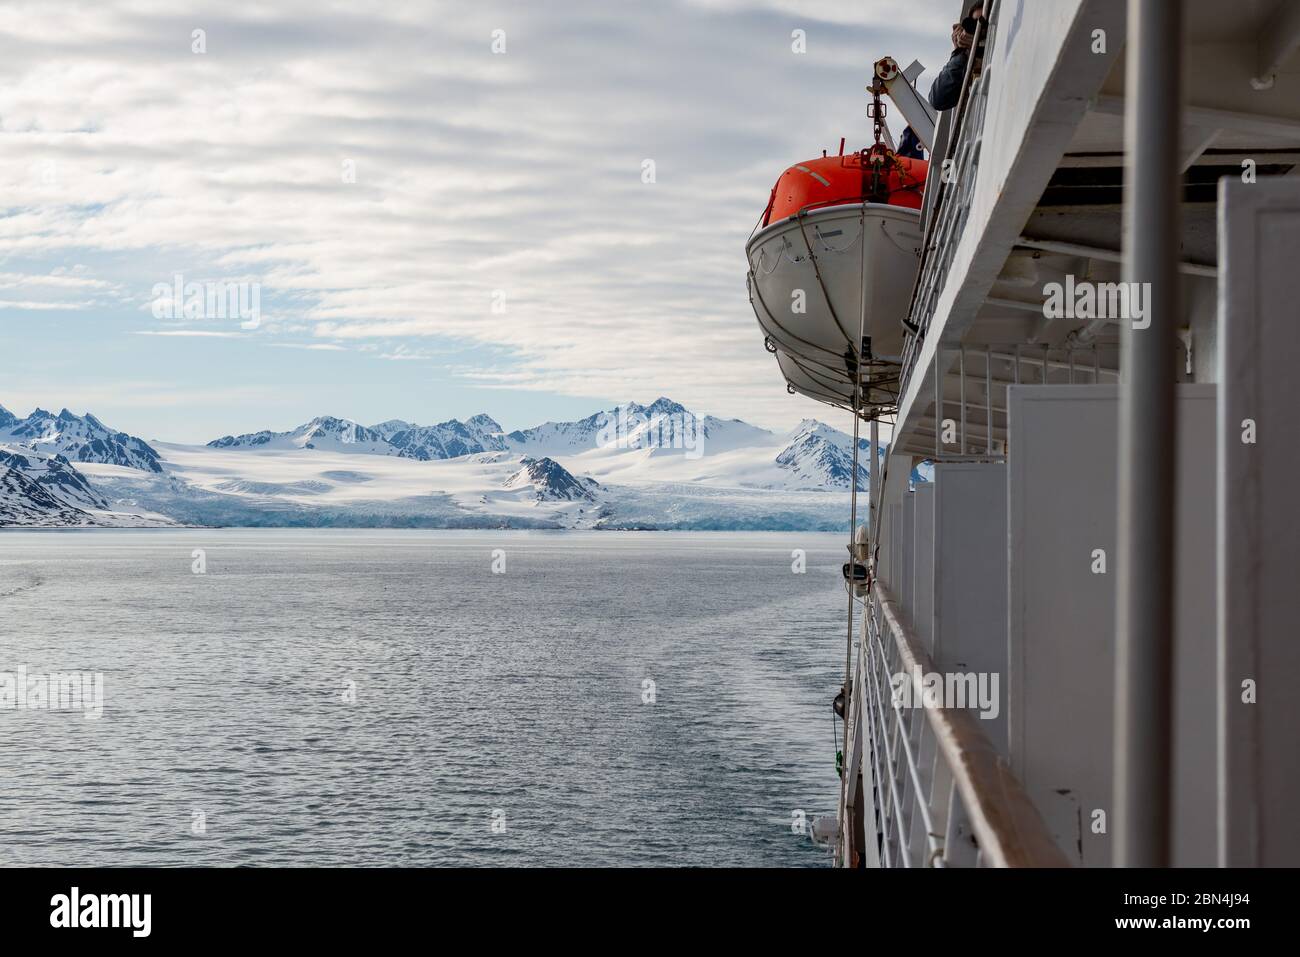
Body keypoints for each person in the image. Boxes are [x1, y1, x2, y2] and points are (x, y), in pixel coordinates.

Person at [929, 2, 985, 112]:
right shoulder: (967, 60)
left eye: (983, 23)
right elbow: (937, 99)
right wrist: (959, 52)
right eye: (975, 25)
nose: (979, 30)